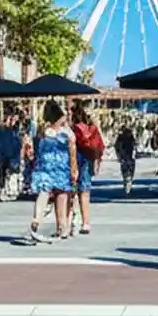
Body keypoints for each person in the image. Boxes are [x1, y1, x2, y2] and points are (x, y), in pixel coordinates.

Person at [24, 101, 77, 244]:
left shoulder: (42, 132)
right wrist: (74, 168)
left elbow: (35, 149)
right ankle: (63, 227)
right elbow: (72, 151)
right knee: (62, 195)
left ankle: (37, 219)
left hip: (44, 166)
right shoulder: (66, 132)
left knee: (43, 193)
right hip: (61, 167)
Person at [69, 103, 101, 235]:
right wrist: (97, 161)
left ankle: (71, 221)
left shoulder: (72, 129)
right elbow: (99, 145)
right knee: (85, 191)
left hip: (75, 157)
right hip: (88, 159)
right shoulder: (91, 128)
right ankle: (86, 222)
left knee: (71, 191)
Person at [115, 125, 137, 195]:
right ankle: (128, 184)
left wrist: (119, 156)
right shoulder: (129, 137)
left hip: (125, 158)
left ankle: (127, 184)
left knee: (126, 172)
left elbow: (117, 148)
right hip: (128, 158)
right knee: (129, 172)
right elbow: (134, 147)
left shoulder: (121, 138)